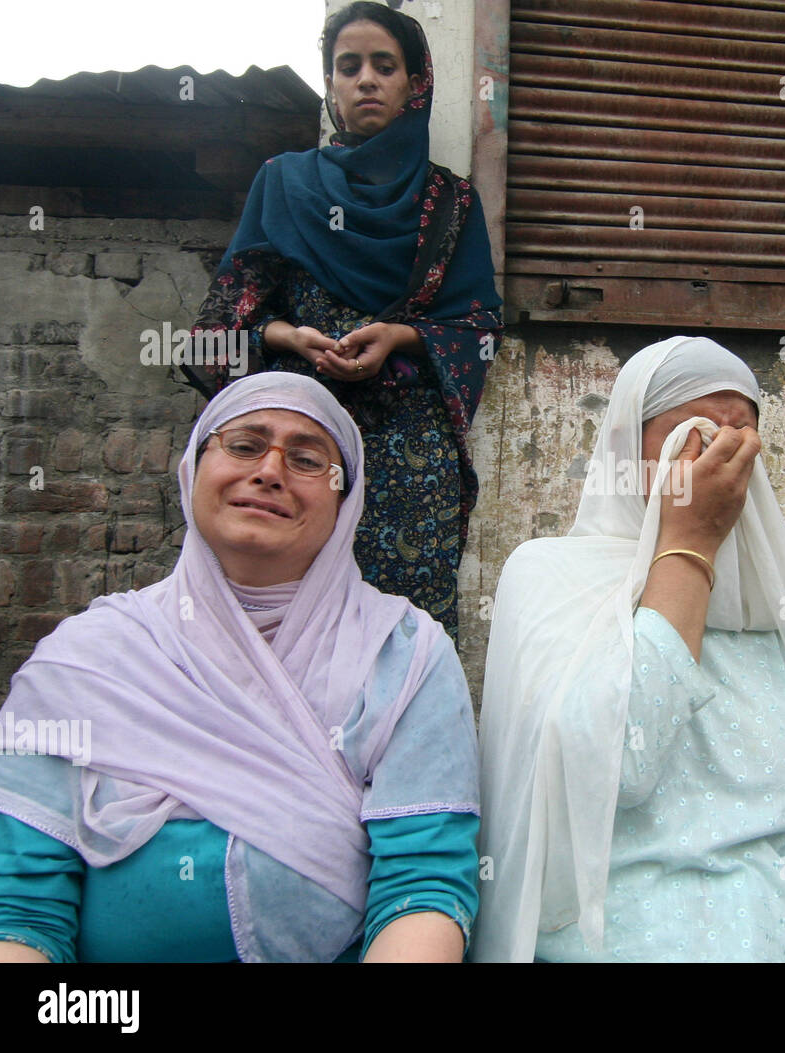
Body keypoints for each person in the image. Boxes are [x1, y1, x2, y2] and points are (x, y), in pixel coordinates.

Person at [0, 373, 480, 962]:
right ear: (195, 469)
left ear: (345, 502)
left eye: (306, 458)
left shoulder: (403, 654)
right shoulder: (89, 658)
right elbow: (18, 907)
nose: (270, 471)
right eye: (244, 445)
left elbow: (421, 888)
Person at [473, 335, 785, 962]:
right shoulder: (552, 580)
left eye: (740, 436)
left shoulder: (775, 620)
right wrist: (689, 544)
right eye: (691, 433)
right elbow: (620, 768)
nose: (719, 454)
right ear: (624, 446)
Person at [186, 2, 502, 640]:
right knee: (271, 625)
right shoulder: (283, 183)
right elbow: (214, 332)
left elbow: (480, 330)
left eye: (384, 67)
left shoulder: (452, 202)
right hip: (292, 440)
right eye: (347, 66)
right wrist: (288, 339)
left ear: (416, 85)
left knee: (392, 639)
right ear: (329, 83)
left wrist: (397, 337)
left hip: (406, 451)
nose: (365, 80)